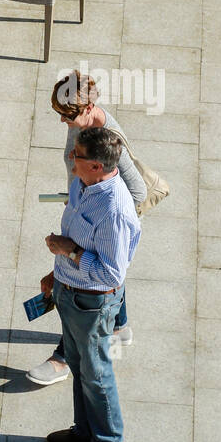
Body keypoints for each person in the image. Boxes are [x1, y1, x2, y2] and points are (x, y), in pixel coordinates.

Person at [28, 71, 146, 387]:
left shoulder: (107, 138)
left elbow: (137, 192)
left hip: (101, 223)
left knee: (88, 290)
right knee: (109, 278)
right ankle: (120, 327)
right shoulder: (83, 123)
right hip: (84, 212)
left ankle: (63, 358)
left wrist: (100, 214)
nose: (62, 122)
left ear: (87, 107)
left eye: (65, 115)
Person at [42, 125, 140, 442]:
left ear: (98, 165)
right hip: (70, 293)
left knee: (96, 372)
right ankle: (84, 430)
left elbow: (113, 274)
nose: (72, 159)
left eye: (77, 156)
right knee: (79, 365)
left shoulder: (113, 210)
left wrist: (70, 252)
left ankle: (109, 441)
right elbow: (74, 235)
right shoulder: (82, 185)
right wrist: (56, 274)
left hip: (92, 303)